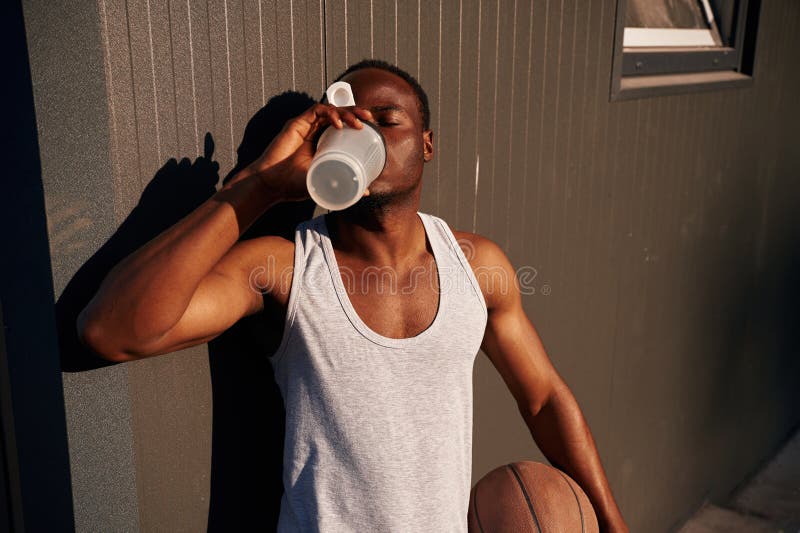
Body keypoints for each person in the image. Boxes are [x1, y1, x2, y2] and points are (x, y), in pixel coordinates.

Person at [77, 59, 629, 532]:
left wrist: (612, 521)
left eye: (387, 121)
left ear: (428, 144)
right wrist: (259, 186)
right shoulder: (283, 268)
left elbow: (544, 399)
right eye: (347, 127)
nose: (367, 138)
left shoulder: (477, 264)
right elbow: (111, 331)